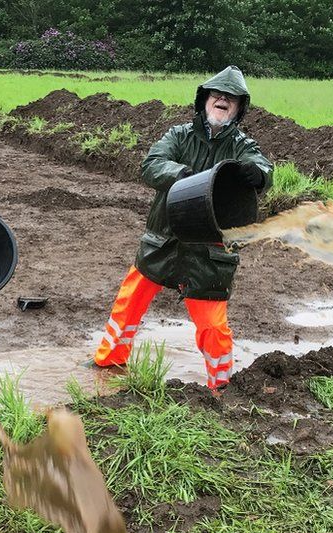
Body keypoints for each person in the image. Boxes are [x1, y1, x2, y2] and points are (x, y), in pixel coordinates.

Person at [88, 66, 273, 391]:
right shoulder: (179, 135)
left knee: (214, 326)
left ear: (239, 108)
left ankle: (220, 387)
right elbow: (152, 165)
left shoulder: (242, 146)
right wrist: (185, 175)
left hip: (210, 250)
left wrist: (256, 174)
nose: (222, 100)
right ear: (204, 100)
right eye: (217, 95)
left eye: (230, 98)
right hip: (164, 239)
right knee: (128, 304)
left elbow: (264, 169)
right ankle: (109, 362)